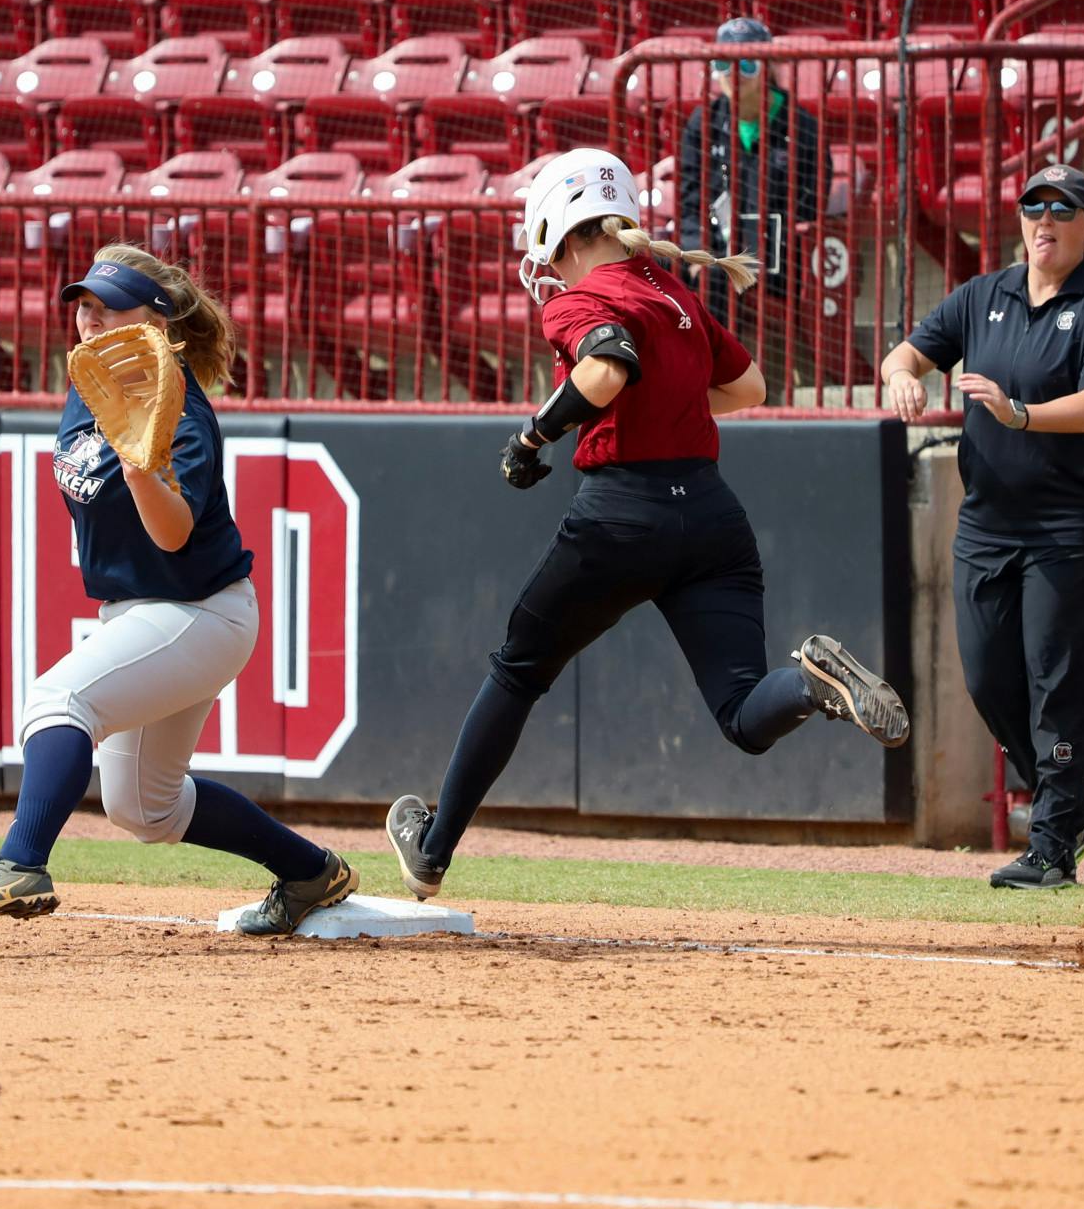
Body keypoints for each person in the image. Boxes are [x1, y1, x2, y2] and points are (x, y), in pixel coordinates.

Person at [384, 149, 909, 900]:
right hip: (712, 515)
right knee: (741, 710)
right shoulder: (676, 291)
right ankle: (811, 684)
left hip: (624, 515)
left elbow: (604, 369)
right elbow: (750, 385)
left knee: (517, 670)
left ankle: (432, 850)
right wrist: (668, 403)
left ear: (561, 235)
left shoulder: (580, 296)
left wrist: (534, 434)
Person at [0, 244, 357, 938]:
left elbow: (176, 535)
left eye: (108, 306)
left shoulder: (179, 409)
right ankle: (311, 871)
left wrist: (139, 471)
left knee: (59, 698)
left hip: (200, 610)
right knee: (144, 807)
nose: (90, 321)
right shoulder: (90, 385)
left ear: (155, 323)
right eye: (83, 306)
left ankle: (19, 863)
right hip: (143, 610)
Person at [881, 164, 1084, 891]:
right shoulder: (983, 295)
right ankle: (1074, 811)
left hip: (1073, 522)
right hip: (990, 521)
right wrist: (903, 373)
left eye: (1064, 209)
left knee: (1056, 680)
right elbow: (906, 352)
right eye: (1034, 207)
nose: (1046, 221)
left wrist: (1018, 412)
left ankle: (1052, 845)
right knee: (989, 676)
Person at [676, 17, 850, 397]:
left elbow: (811, 198)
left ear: (767, 67)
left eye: (747, 65)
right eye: (723, 65)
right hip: (716, 254)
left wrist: (766, 238)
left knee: (713, 280)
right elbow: (690, 198)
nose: (733, 76)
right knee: (664, 268)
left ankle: (715, 387)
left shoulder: (801, 125)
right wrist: (695, 250)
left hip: (778, 258)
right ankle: (682, 384)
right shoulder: (702, 123)